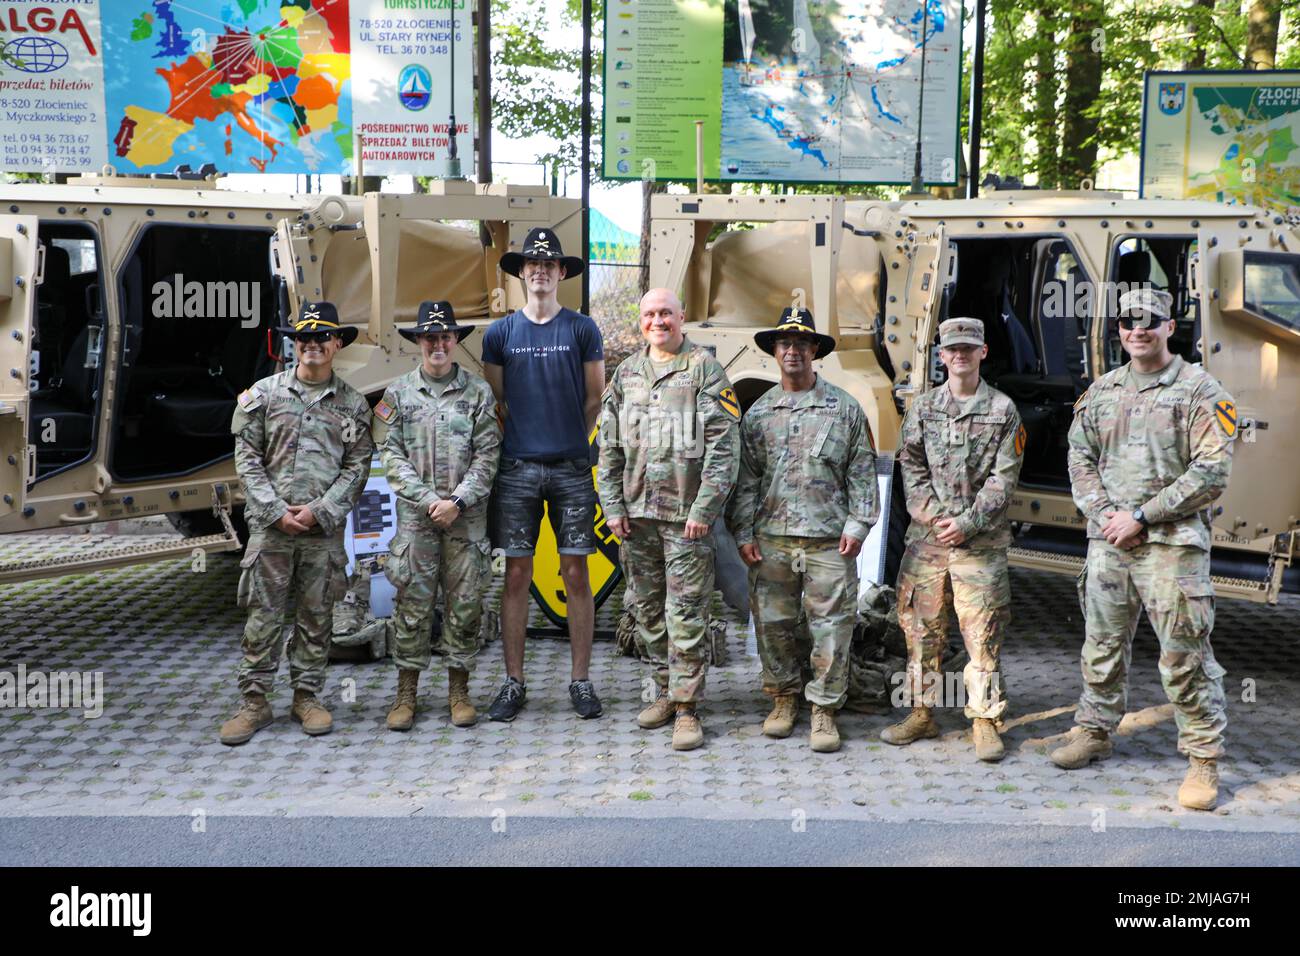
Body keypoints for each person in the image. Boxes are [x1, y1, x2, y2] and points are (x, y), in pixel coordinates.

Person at [1051, 288, 1235, 810]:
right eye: (1129, 322)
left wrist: (1141, 516)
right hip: (1109, 541)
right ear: (1119, 329)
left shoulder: (1202, 390)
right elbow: (1078, 457)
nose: (1138, 330)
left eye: (1150, 321)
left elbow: (1212, 471)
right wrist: (1107, 515)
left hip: (1172, 547)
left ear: (1169, 327)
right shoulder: (1102, 390)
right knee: (1102, 643)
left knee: (1184, 655)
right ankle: (1094, 729)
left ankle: (1203, 758)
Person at [726, 307, 879, 752]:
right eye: (784, 344)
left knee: (831, 627)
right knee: (773, 624)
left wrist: (858, 524)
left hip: (830, 541)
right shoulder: (759, 414)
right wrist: (743, 533)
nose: (792, 350)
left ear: (815, 351)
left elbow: (862, 474)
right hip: (772, 538)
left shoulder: (844, 409)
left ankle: (825, 709)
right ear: (774, 352)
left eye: (801, 343)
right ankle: (783, 699)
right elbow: (747, 480)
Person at [220, 301, 373, 745]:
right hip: (271, 530)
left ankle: (306, 697)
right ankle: (254, 703)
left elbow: (357, 466)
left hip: (321, 532)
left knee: (316, 615)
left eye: (322, 337)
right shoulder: (263, 396)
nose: (312, 345)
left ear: (337, 343)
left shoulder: (352, 405)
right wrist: (274, 511)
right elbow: (246, 460)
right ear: (295, 345)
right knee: (262, 617)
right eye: (303, 338)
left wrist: (320, 511)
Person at [597, 288, 741, 750]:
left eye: (666, 313)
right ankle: (664, 691)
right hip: (636, 518)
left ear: (681, 317)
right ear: (640, 322)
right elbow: (609, 447)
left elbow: (724, 447)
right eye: (649, 314)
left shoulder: (705, 370)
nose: (658, 321)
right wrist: (613, 506)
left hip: (685, 520)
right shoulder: (627, 374)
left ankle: (687, 709)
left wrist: (705, 509)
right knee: (646, 612)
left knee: (687, 614)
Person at [882, 317, 1025, 761]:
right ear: (940, 355)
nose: (959, 355)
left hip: (979, 546)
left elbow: (1005, 480)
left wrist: (968, 523)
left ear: (983, 352)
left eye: (968, 348)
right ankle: (922, 713)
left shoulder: (1003, 411)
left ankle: (984, 719)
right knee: (921, 633)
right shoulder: (922, 409)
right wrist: (937, 517)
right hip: (927, 543)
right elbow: (912, 468)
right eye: (952, 349)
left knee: (982, 635)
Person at [481, 227, 605, 721]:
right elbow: (498, 404)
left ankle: (581, 681)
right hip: (515, 470)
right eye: (531, 264)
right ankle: (514, 682)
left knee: (576, 572)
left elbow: (594, 398)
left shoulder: (582, 329)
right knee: (516, 574)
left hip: (572, 468)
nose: (539, 270)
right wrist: (528, 443)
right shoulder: (500, 333)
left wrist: (569, 441)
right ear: (520, 274)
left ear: (560, 273)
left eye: (549, 264)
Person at [374, 301, 501, 731]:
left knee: (465, 606)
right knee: (412, 606)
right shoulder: (398, 394)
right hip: (418, 521)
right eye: (430, 337)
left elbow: (488, 454)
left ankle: (458, 690)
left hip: (465, 521)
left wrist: (458, 501)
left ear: (455, 341)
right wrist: (430, 500)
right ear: (418, 343)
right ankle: (406, 693)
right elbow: (390, 454)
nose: (438, 344)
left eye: (446, 336)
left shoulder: (478, 392)